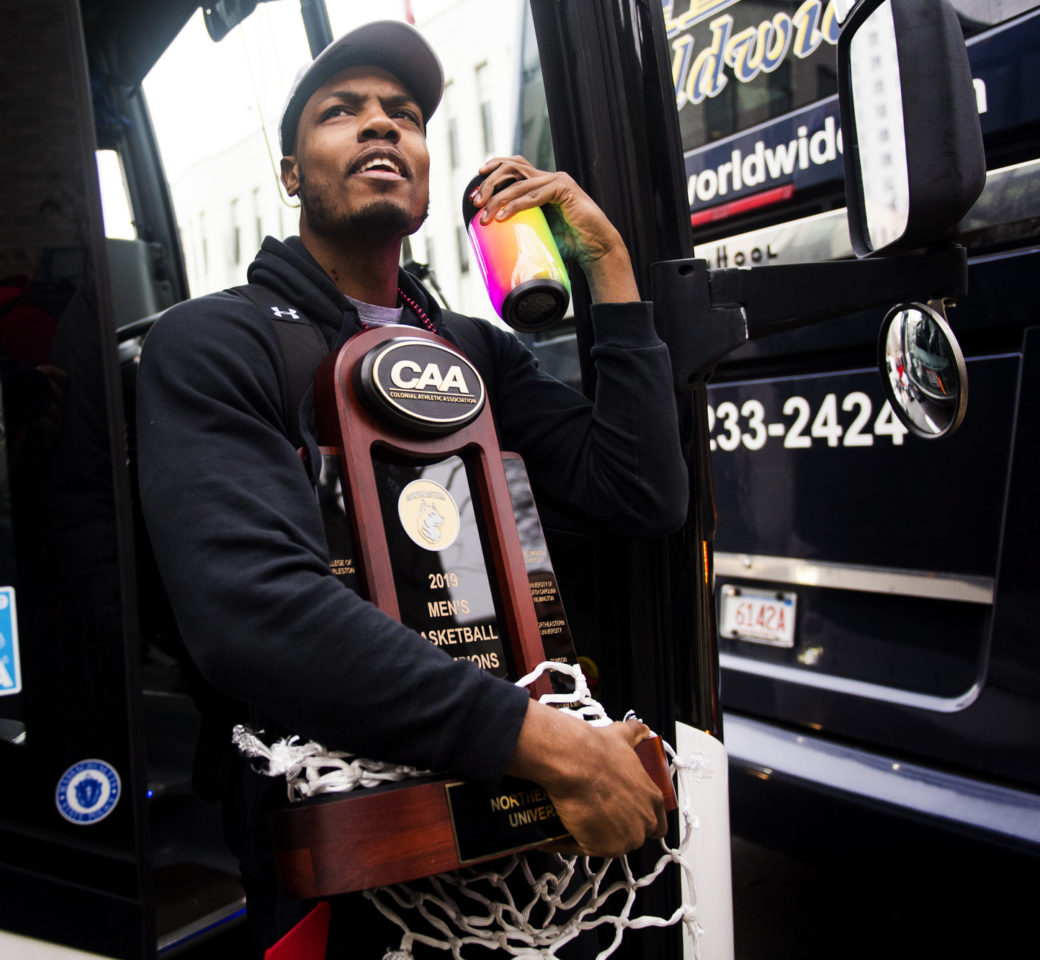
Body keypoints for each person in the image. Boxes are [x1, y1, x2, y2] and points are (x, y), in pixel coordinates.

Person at [136, 20, 687, 955]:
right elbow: (257, 615)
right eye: (341, 112)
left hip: (519, 821)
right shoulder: (217, 341)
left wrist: (613, 276)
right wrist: (550, 743)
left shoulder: (473, 350)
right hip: (348, 851)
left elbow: (638, 494)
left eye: (404, 115)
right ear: (291, 173)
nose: (381, 127)